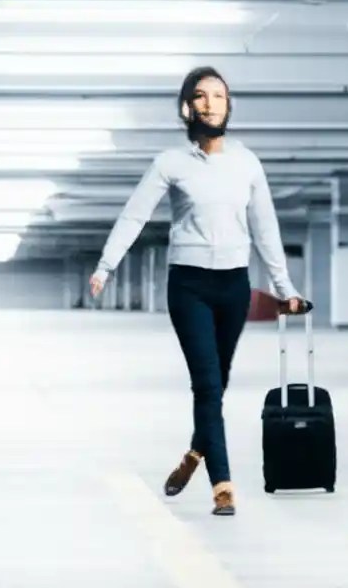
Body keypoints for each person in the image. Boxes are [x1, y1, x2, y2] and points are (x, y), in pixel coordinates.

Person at [88, 66, 307, 517]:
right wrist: (106, 265)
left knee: (217, 384)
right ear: (187, 107)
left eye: (219, 96)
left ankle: (194, 453)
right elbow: (134, 215)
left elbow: (265, 229)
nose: (211, 104)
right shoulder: (170, 163)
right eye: (201, 96)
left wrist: (284, 289)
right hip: (188, 286)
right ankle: (222, 486)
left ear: (229, 106)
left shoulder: (247, 163)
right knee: (206, 384)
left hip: (234, 285)